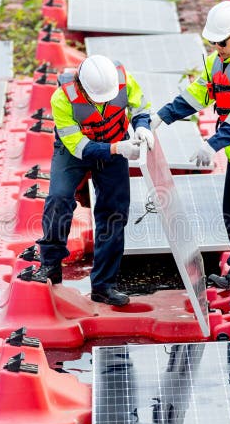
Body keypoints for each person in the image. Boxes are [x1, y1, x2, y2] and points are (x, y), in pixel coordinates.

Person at [152, 1, 230, 291]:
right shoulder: (217, 61)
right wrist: (161, 117)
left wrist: (213, 144)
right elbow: (197, 95)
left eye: (221, 42)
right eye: (212, 42)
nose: (217, 47)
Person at [32, 55, 154, 306]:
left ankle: (104, 285)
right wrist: (117, 149)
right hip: (76, 150)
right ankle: (51, 265)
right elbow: (79, 147)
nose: (105, 101)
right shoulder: (62, 98)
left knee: (114, 212)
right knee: (59, 198)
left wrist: (142, 126)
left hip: (115, 141)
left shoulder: (121, 80)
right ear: (81, 86)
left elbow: (141, 107)